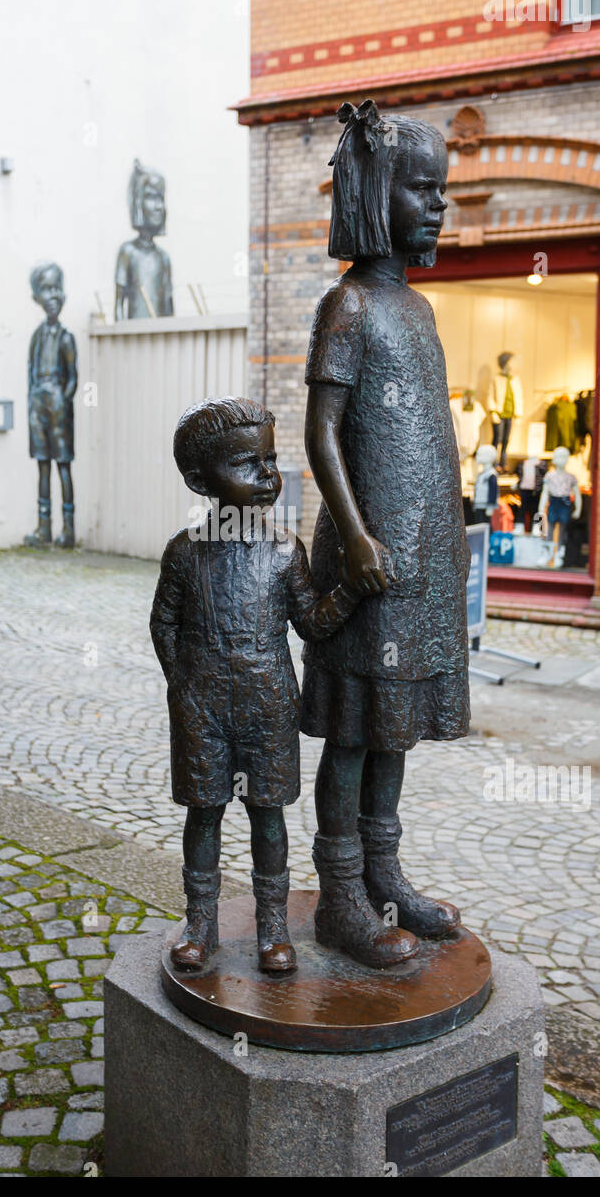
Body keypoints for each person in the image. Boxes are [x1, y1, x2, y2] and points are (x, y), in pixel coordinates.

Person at [150, 396, 417, 976]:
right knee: (205, 813)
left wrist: (349, 589)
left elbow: (311, 622)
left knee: (268, 816)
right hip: (203, 711)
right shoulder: (183, 553)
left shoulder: (283, 550)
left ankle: (273, 925)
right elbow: (163, 624)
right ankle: (200, 923)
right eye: (248, 464)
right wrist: (183, 690)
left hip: (268, 704)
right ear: (200, 480)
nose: (267, 475)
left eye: (270, 459)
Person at [301, 101, 470, 967]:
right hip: (369, 556)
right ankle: (339, 897)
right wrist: (359, 537)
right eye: (421, 189)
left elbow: (427, 432)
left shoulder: (422, 312)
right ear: (375, 194)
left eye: (442, 190)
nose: (438, 204)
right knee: (355, 729)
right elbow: (321, 433)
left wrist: (453, 525)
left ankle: (384, 873)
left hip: (423, 554)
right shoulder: (349, 306)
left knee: (393, 728)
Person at [25, 262, 78, 549]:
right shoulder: (36, 336)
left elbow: (73, 378)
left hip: (58, 407)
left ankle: (68, 529)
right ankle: (43, 526)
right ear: (36, 297)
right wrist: (35, 404)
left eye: (57, 288)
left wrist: (61, 399)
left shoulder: (66, 337)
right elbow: (31, 373)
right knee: (42, 466)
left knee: (63, 466)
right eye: (46, 289)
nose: (53, 295)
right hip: (38, 406)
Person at [114, 160, 174, 319]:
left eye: (160, 199)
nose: (158, 207)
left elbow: (169, 307)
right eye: (151, 198)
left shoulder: (163, 258)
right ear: (139, 201)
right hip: (135, 337)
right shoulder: (128, 252)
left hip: (159, 339)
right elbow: (118, 305)